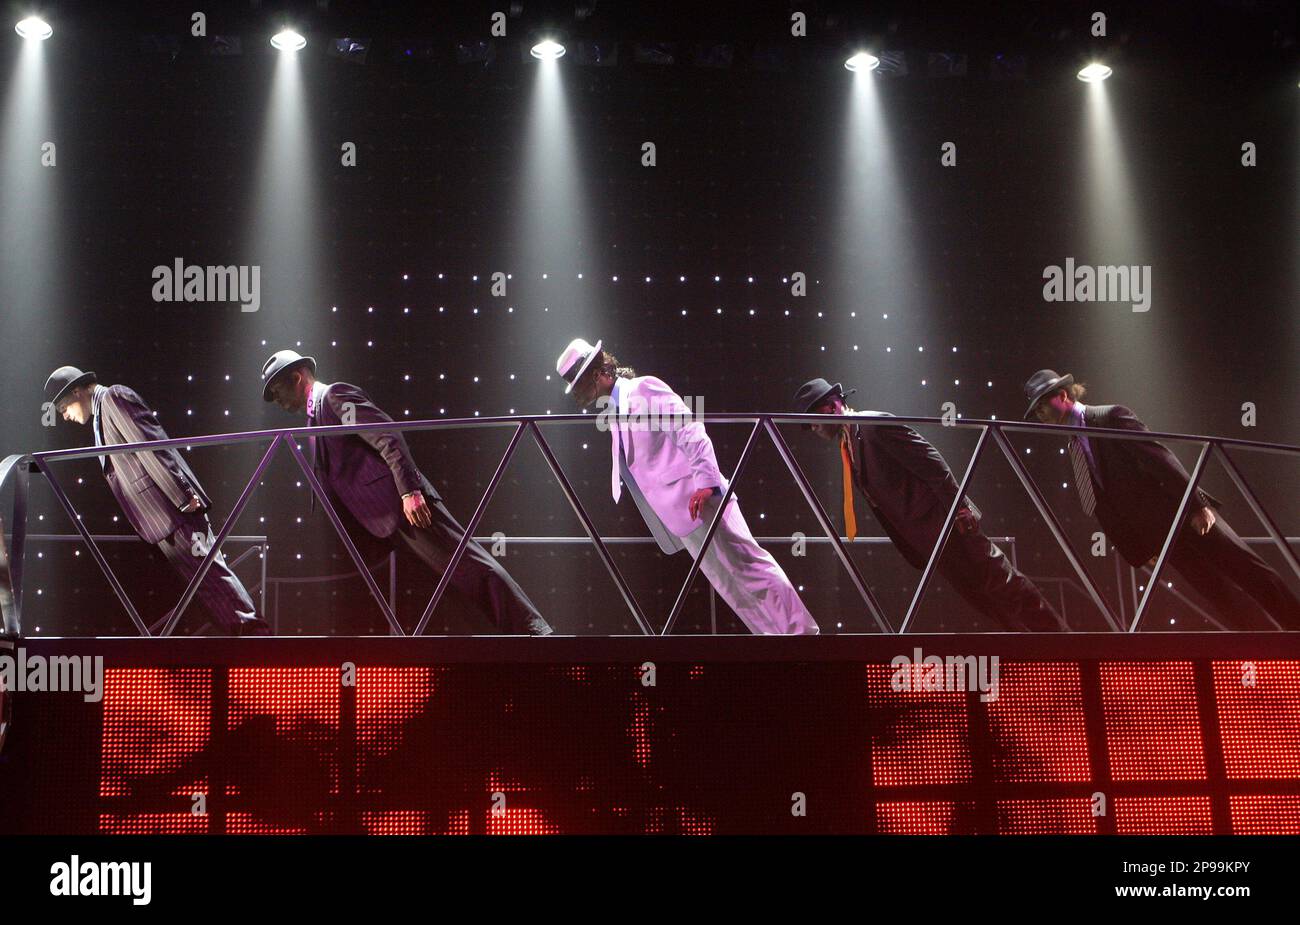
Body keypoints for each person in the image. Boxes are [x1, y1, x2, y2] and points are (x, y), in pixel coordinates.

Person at [261, 349, 551, 635]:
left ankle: (535, 631)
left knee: (469, 566)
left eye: (276, 390)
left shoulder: (334, 397)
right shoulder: (315, 415)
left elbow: (387, 435)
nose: (278, 401)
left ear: (297, 378)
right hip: (381, 522)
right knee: (452, 587)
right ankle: (506, 644)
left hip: (404, 508)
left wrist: (409, 492)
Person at [557, 338, 817, 634]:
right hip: (682, 513)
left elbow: (688, 427)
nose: (579, 393)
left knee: (751, 569)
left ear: (596, 372)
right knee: (730, 586)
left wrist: (706, 483)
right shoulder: (614, 410)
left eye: (579, 383)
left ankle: (803, 635)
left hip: (701, 498)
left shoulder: (643, 388)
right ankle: (775, 641)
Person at [1023, 368, 1300, 630]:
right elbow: (1103, 504)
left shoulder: (1110, 416)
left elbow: (1160, 459)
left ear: (1062, 396)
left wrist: (1196, 505)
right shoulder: (1074, 445)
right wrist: (1137, 551)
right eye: (1035, 410)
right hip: (1162, 536)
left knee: (1249, 571)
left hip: (1185, 515)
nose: (1039, 414)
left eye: (1041, 406)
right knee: (1219, 595)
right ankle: (1269, 646)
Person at [796, 377, 1066, 632]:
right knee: (981, 597)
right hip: (929, 537)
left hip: (947, 524)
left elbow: (931, 462)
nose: (813, 429)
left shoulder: (872, 425)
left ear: (832, 407)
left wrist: (959, 509)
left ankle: (1063, 641)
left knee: (1002, 581)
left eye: (812, 421)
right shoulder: (851, 442)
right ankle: (1031, 649)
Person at [43, 366, 268, 635]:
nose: (64, 416)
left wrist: (183, 495)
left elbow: (151, 446)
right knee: (205, 590)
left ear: (77, 391)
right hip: (161, 521)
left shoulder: (114, 398)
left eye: (63, 407)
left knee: (212, 578)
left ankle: (258, 638)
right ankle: (246, 643)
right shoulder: (100, 414)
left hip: (176, 512)